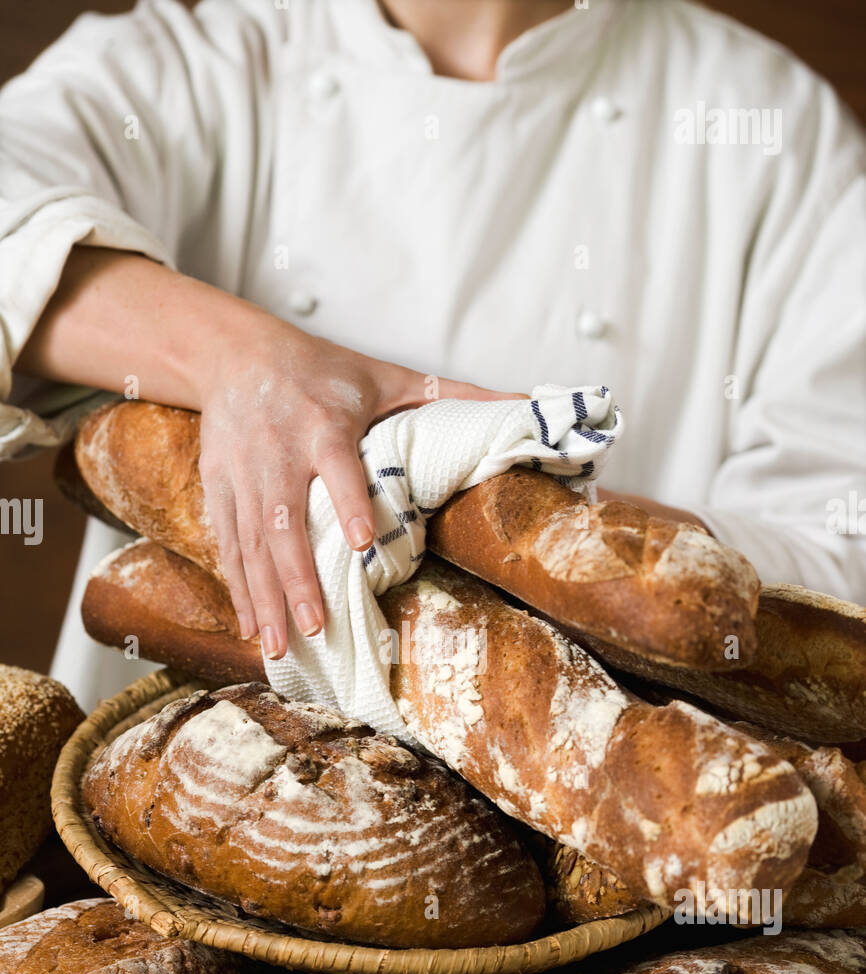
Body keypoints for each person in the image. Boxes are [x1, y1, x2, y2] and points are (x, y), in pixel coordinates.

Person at [1, 0, 864, 711]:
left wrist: (502, 531)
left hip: (617, 851)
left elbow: (840, 553)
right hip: (167, 797)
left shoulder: (773, 130)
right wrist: (248, 362)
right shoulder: (204, 62)